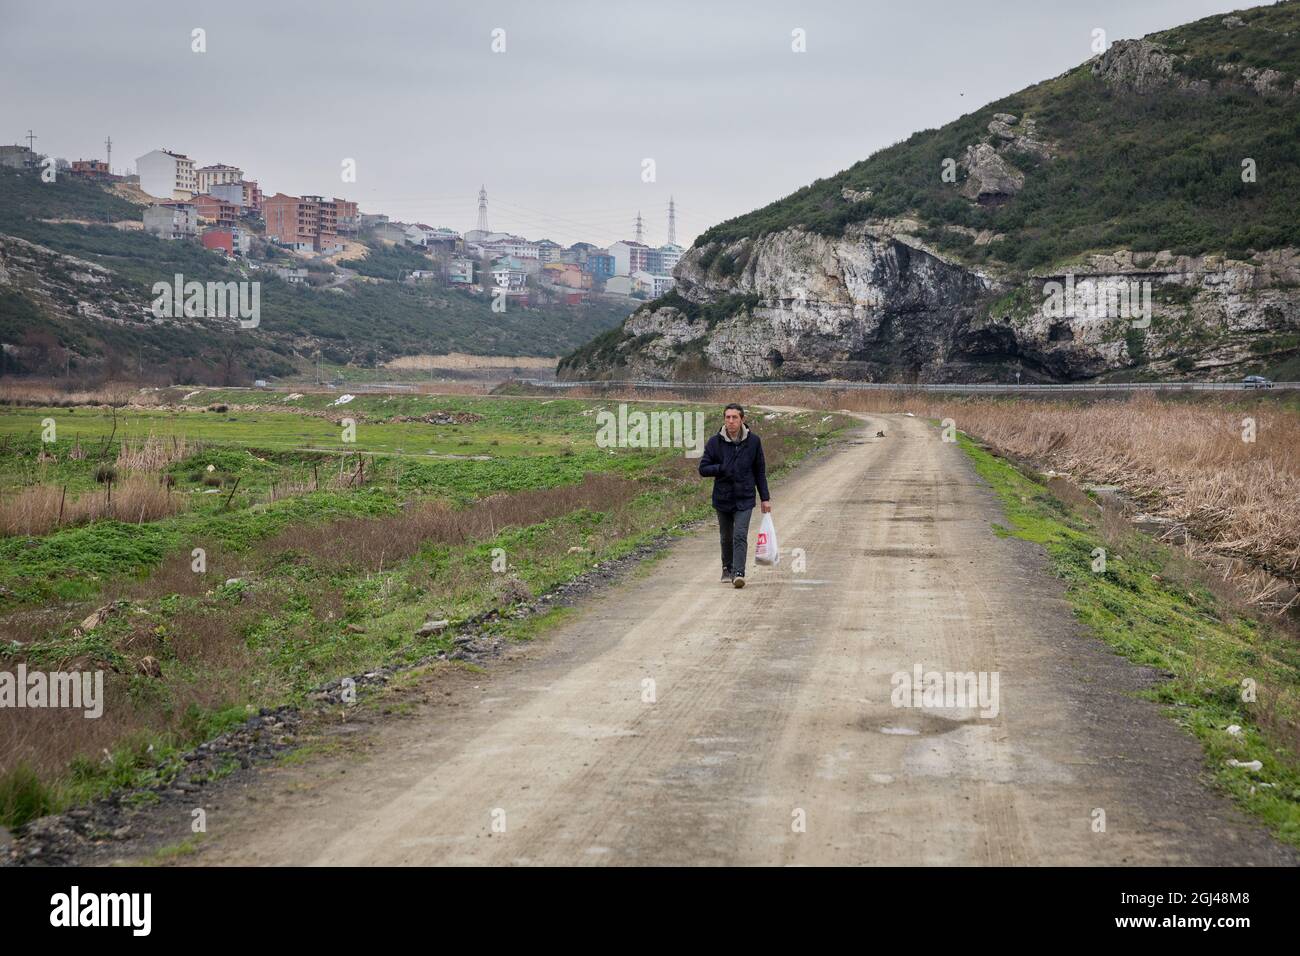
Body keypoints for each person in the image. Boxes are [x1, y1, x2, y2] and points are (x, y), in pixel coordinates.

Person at [698, 403, 771, 588]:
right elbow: (703, 468)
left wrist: (765, 498)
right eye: (728, 417)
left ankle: (739, 573)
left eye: (734, 417)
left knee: (740, 535)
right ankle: (727, 567)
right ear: (724, 420)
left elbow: (759, 471)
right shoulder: (715, 442)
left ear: (742, 420)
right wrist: (721, 468)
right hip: (722, 498)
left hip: (745, 498)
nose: (731, 421)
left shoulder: (753, 442)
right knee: (726, 537)